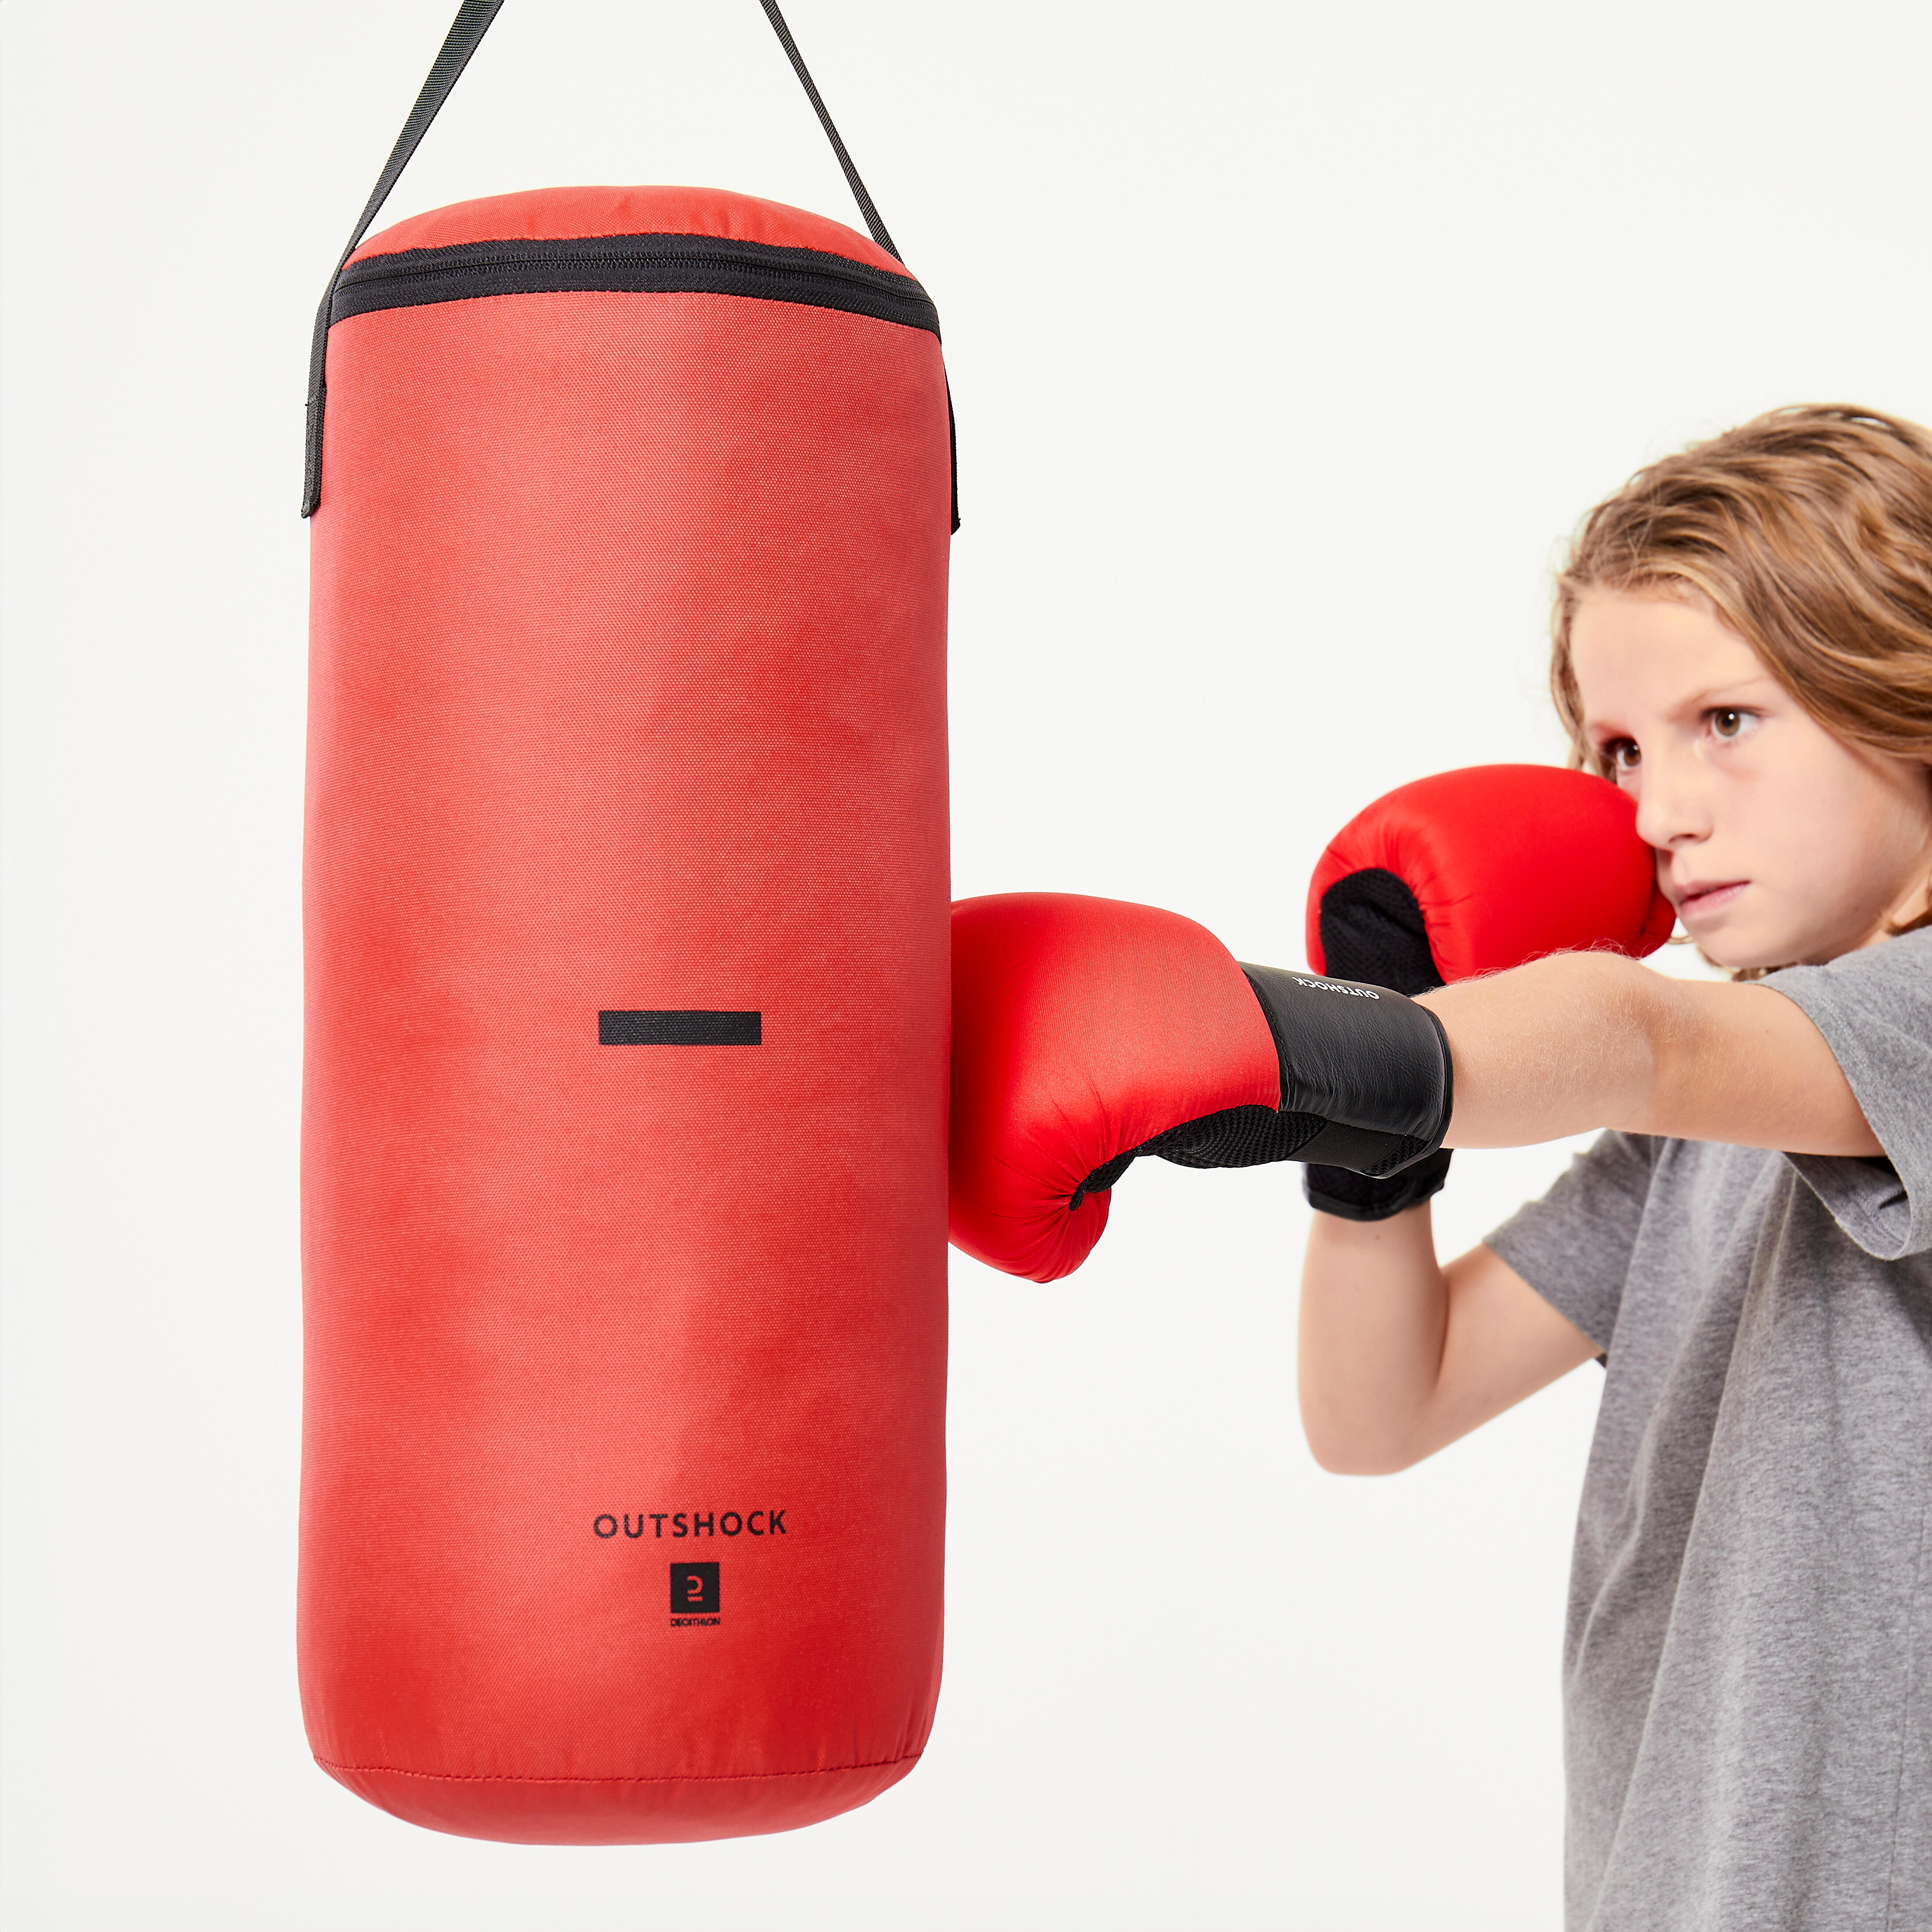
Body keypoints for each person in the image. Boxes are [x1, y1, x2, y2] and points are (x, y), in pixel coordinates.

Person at [1297, 405, 1932, 1931]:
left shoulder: (1845, 1040)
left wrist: (1329, 1044)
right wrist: (1361, 1144)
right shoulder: (1717, 1126)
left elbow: (1634, 1033)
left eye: (1728, 722)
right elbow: (1383, 1409)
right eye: (1621, 750)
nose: (1659, 812)